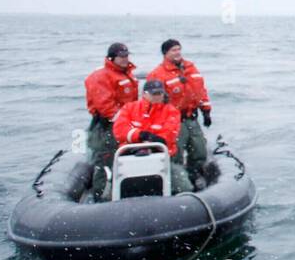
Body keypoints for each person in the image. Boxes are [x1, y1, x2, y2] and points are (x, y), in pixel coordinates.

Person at [146, 38, 212, 186]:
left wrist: (206, 111)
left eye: (179, 49)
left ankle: (194, 175)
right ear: (165, 53)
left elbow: (201, 90)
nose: (177, 53)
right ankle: (177, 183)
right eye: (173, 50)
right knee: (175, 153)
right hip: (173, 120)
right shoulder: (158, 74)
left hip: (191, 117)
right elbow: (152, 102)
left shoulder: (191, 68)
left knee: (199, 150)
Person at [110, 78, 190, 195]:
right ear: (144, 94)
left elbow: (169, 134)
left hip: (161, 156)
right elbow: (120, 130)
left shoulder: (171, 111)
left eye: (160, 93)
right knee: (111, 190)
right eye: (154, 94)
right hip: (130, 155)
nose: (157, 96)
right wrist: (141, 135)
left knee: (184, 186)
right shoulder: (129, 108)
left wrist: (152, 141)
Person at [84, 42, 138, 199]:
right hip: (106, 127)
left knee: (124, 158)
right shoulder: (101, 76)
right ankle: (100, 197)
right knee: (105, 162)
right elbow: (105, 105)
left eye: (126, 55)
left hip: (124, 124)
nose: (125, 59)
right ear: (111, 57)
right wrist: (123, 121)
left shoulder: (126, 74)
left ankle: (124, 191)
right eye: (121, 56)